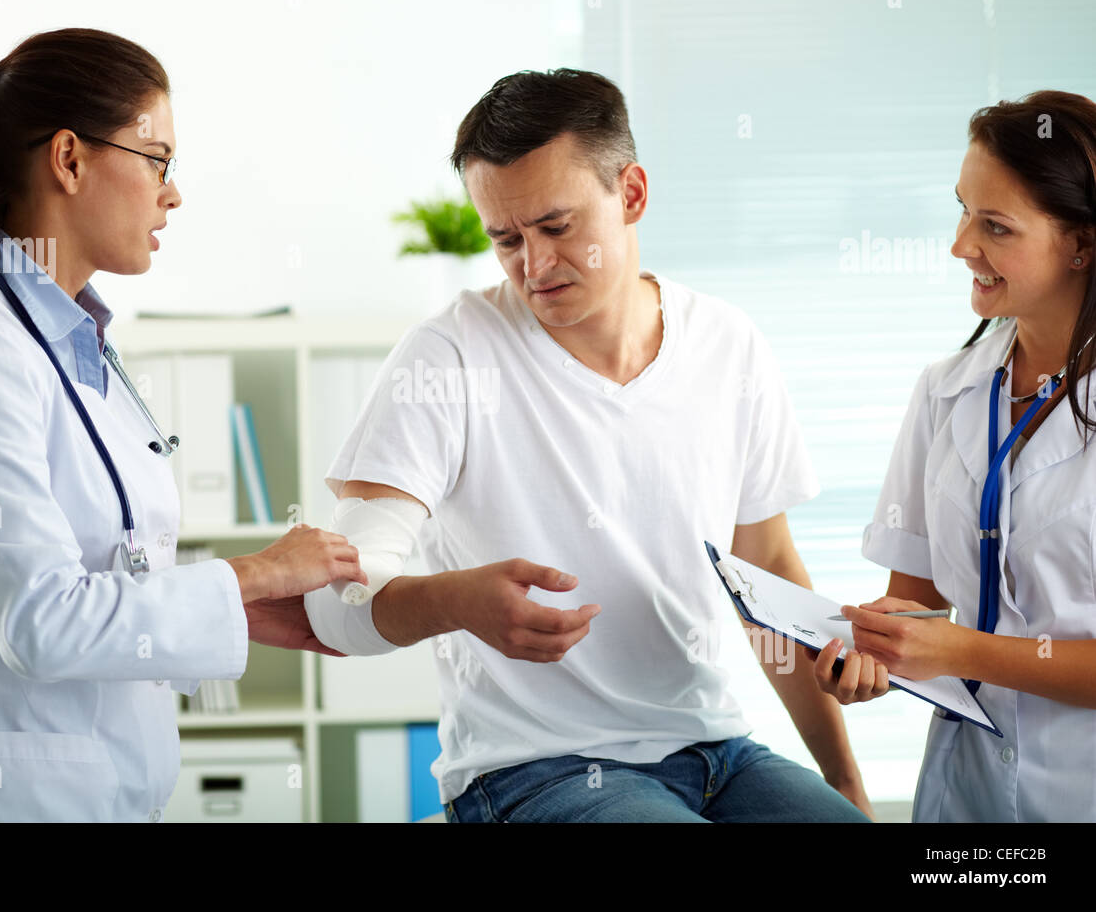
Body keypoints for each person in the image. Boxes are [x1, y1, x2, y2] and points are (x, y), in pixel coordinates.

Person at [304, 69, 872, 822]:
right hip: (532, 770)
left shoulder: (727, 345)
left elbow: (764, 570)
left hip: (717, 752)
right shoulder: (447, 356)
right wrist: (456, 602)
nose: (533, 266)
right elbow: (339, 605)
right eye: (505, 239)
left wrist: (843, 782)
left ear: (631, 193)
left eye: (556, 227)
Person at [0, 28, 365, 822]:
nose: (173, 193)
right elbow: (43, 621)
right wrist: (253, 575)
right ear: (69, 159)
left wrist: (237, 608)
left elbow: (104, 573)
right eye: (157, 159)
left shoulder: (76, 340)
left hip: (98, 785)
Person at [814, 90, 1096, 822]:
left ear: (1083, 245)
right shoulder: (948, 390)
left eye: (995, 226)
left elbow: (956, 643)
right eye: (963, 210)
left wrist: (958, 653)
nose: (960, 245)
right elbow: (918, 597)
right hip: (966, 801)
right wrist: (871, 650)